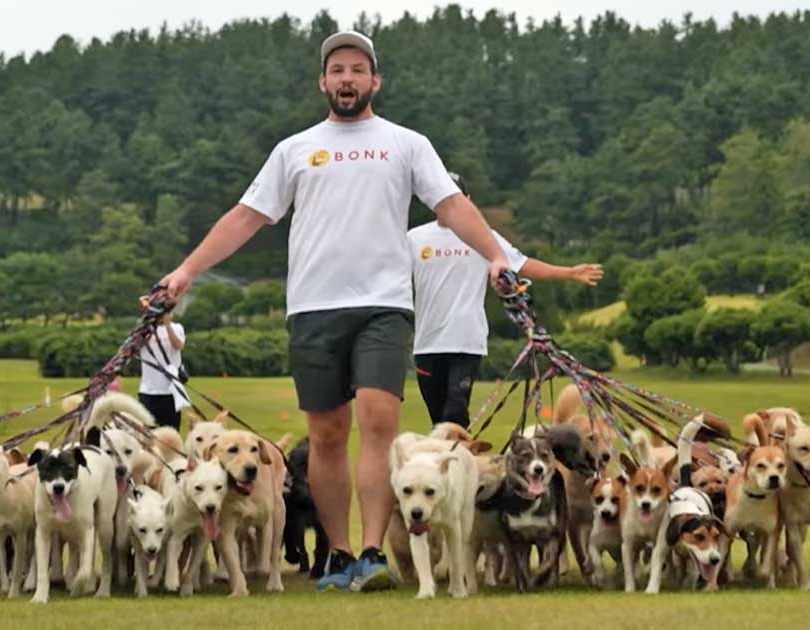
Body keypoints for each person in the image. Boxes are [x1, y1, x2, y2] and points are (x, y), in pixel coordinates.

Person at [158, 31, 510, 592]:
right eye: (337, 70)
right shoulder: (294, 149)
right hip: (314, 307)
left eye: (358, 70)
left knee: (377, 423)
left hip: (383, 304)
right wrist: (186, 270)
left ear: (375, 81)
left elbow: (451, 205)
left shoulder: (406, 143)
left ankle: (371, 552)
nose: (347, 79)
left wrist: (494, 254)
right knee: (325, 435)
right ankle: (340, 555)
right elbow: (246, 217)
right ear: (323, 81)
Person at [408, 171, 604, 428]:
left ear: (467, 200)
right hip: (427, 344)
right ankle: (453, 464)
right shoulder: (414, 238)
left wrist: (568, 272)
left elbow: (523, 264)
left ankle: (461, 463)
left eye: (453, 198)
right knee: (438, 420)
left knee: (455, 411)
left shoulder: (482, 237)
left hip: (465, 341)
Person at [138, 312, 186, 430]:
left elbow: (178, 345)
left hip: (171, 390)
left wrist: (168, 325)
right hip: (148, 391)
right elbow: (133, 347)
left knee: (171, 433)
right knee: (148, 433)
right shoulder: (144, 330)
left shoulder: (177, 327)